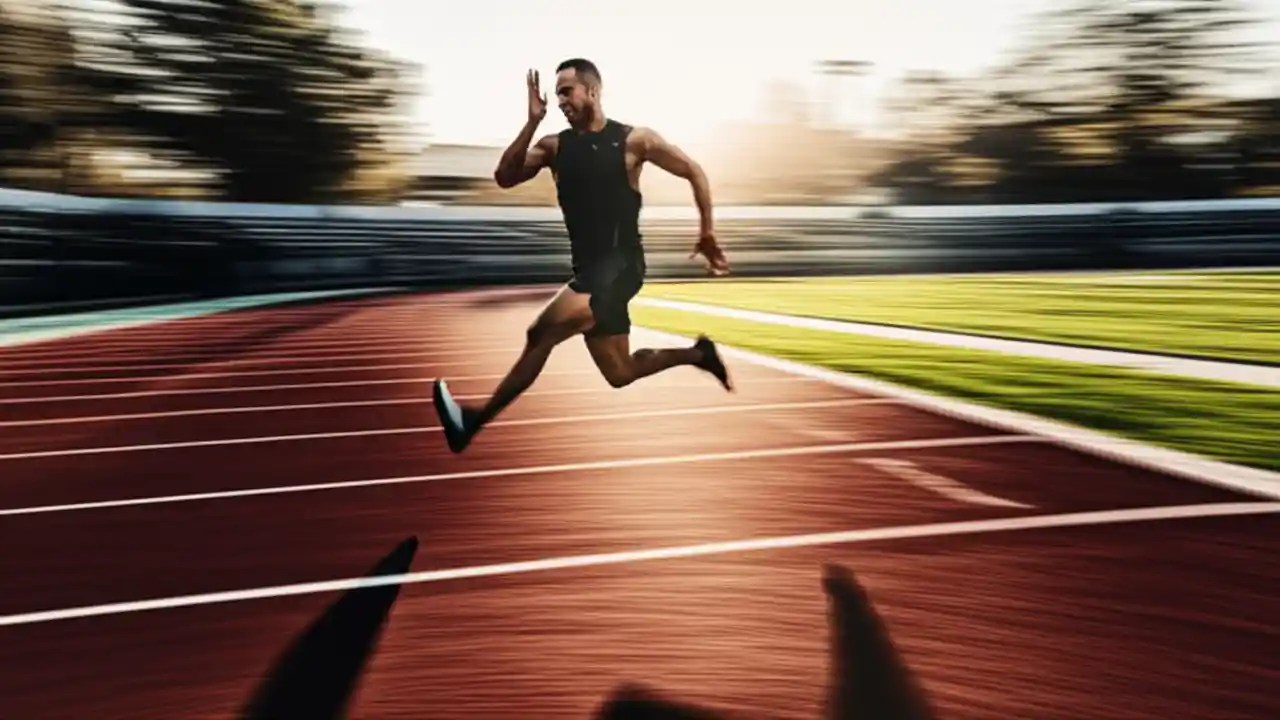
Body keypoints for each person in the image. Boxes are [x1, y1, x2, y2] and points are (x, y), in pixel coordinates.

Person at [431, 58, 733, 453]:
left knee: (540, 333)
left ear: (592, 91)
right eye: (556, 94)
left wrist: (707, 230)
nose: (559, 101)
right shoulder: (554, 148)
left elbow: (694, 170)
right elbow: (505, 177)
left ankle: (472, 423)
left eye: (566, 91)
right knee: (620, 372)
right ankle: (698, 353)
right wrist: (531, 122)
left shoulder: (634, 141)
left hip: (622, 267)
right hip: (590, 270)